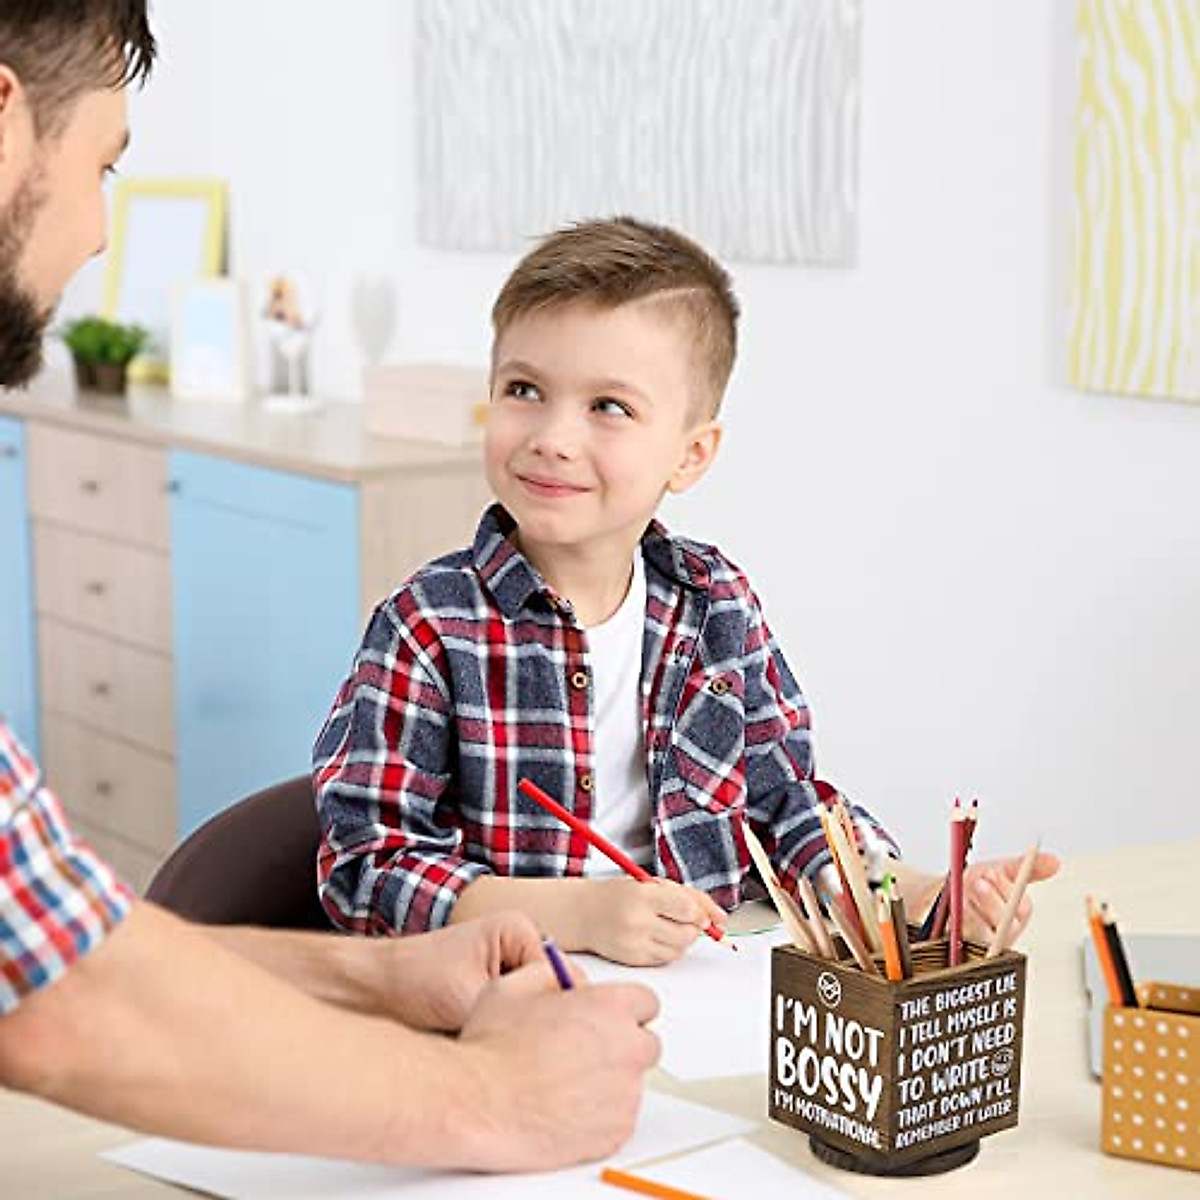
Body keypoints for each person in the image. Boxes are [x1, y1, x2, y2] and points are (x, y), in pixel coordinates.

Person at [0, 1, 659, 1171]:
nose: (102, 233)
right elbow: (60, 999)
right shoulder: (427, 619)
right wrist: (488, 1099)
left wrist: (377, 977)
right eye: (104, 165)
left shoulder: (707, 606)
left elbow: (36, 946)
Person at [314, 216, 1060, 966]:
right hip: (505, 1002)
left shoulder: (717, 606)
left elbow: (783, 808)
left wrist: (910, 894)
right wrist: (574, 914)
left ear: (691, 454)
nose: (553, 437)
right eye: (524, 389)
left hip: (697, 995)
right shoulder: (430, 624)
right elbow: (368, 872)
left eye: (608, 406)